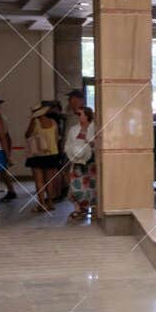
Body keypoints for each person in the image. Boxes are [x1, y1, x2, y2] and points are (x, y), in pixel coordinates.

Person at [62, 91, 96, 223]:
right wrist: (69, 153)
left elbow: (98, 143)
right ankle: (79, 209)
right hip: (76, 161)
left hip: (90, 162)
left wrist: (91, 143)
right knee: (76, 186)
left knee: (91, 186)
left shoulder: (94, 128)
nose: (79, 117)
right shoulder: (73, 129)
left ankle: (92, 208)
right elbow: (68, 143)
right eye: (78, 115)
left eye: (81, 115)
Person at [23, 102, 62, 213]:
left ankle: (42, 204)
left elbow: (27, 135)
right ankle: (50, 202)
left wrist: (31, 122)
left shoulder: (35, 122)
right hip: (52, 153)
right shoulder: (53, 122)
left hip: (37, 154)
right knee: (49, 180)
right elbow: (56, 138)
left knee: (39, 181)